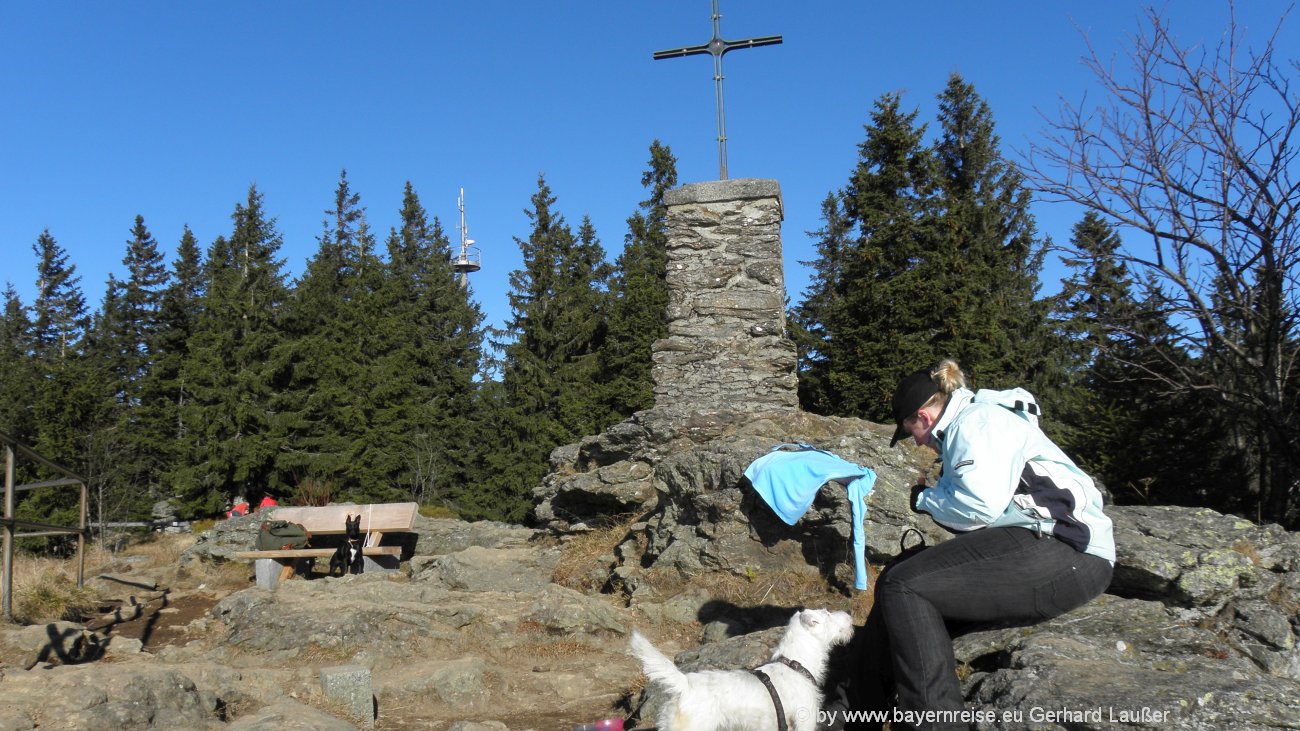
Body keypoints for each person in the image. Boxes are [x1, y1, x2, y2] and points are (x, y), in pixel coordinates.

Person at [843, 359, 1114, 731]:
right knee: (899, 576)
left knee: (905, 586)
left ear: (922, 416)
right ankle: (855, 711)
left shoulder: (977, 423)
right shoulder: (974, 424)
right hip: (1047, 548)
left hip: (1065, 549)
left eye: (910, 432)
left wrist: (924, 499)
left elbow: (978, 507)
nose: (918, 442)